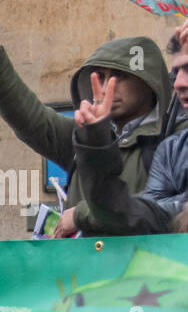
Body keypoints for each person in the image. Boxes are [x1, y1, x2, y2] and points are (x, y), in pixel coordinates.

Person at [0, 0, 183, 236]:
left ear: (149, 83)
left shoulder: (176, 139)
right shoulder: (83, 137)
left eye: (120, 77)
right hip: (82, 272)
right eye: (101, 76)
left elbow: (166, 212)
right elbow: (27, 116)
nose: (105, 87)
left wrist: (83, 215)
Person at [70, 19, 188, 234]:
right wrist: (96, 139)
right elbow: (133, 214)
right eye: (178, 71)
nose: (179, 83)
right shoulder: (173, 150)